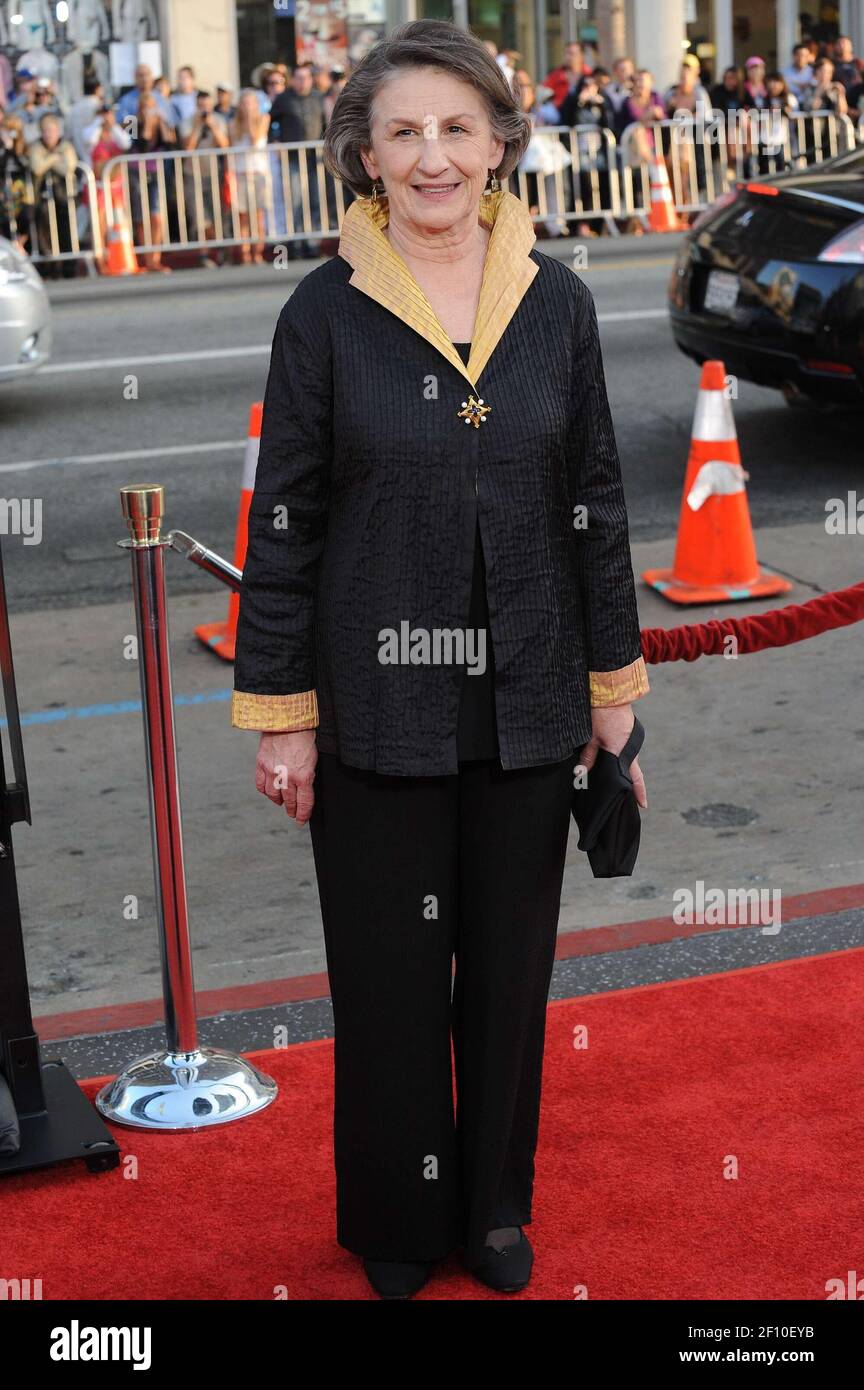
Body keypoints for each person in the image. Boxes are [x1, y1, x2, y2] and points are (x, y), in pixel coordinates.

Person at [231, 17, 649, 1302]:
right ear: (363, 152)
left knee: (510, 980)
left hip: (528, 695)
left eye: (457, 129)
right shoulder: (324, 312)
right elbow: (286, 519)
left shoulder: (561, 301)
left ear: (502, 144)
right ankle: (400, 1222)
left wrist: (614, 697)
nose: (432, 157)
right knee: (390, 977)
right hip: (376, 703)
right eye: (403, 131)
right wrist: (284, 714)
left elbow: (596, 498)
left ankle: (495, 1210)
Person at [128, 88, 176, 271]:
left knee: (156, 215)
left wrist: (161, 123)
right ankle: (147, 258)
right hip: (136, 171)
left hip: (156, 170)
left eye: (151, 106)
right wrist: (147, 126)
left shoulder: (160, 121)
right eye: (145, 106)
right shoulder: (130, 122)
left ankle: (155, 257)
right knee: (141, 216)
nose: (149, 110)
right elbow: (138, 145)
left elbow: (171, 142)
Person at [180, 88, 229, 266]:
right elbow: (188, 148)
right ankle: (204, 254)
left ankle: (220, 251)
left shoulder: (219, 120)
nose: (204, 109)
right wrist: (198, 126)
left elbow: (225, 146)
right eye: (201, 105)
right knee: (199, 216)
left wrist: (212, 126)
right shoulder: (187, 122)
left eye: (207, 105)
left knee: (217, 214)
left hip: (214, 173)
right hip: (193, 173)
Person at [27, 112, 78, 276]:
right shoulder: (36, 147)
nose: (49, 135)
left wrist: (48, 160)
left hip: (64, 197)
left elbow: (67, 168)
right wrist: (55, 158)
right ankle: (49, 267)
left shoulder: (66, 146)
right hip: (42, 199)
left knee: (65, 230)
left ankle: (69, 266)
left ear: (58, 131)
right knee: (44, 231)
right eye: (46, 131)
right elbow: (36, 167)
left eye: (52, 130)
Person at [227, 87, 269, 262]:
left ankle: (257, 252)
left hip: (258, 172)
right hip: (240, 173)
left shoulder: (263, 119)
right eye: (244, 103)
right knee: (242, 215)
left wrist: (251, 119)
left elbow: (255, 140)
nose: (247, 106)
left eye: (251, 103)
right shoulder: (233, 124)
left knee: (258, 215)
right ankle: (245, 253)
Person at [543, 40, 589, 110]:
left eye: (571, 54)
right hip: (559, 114)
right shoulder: (556, 75)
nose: (568, 57)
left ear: (581, 55)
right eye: (566, 53)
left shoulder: (589, 75)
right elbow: (544, 93)